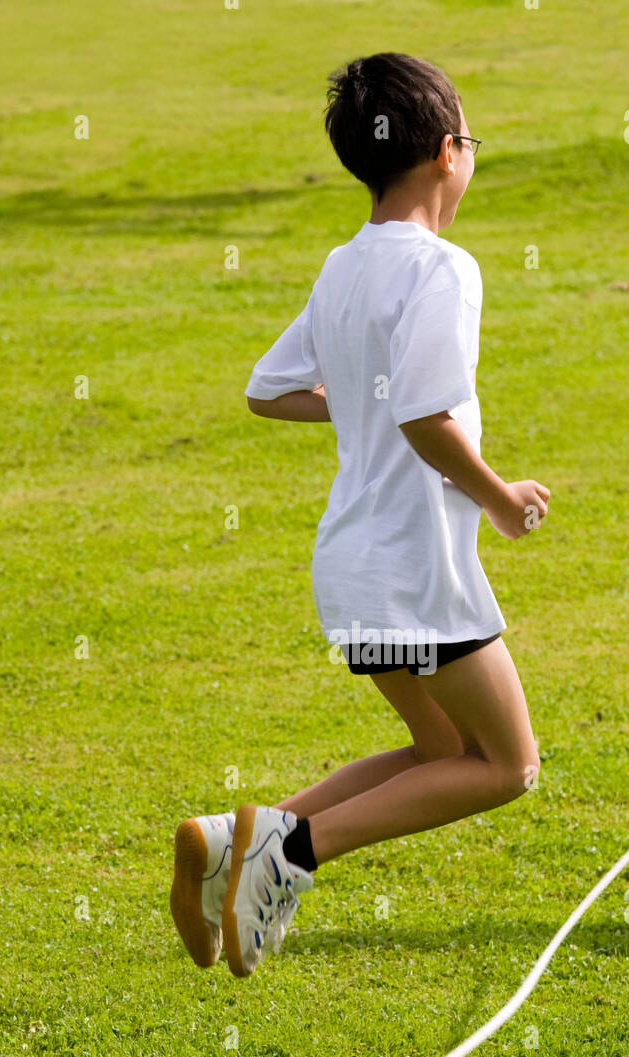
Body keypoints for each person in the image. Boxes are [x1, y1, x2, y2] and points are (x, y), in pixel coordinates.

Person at [170, 52, 550, 979]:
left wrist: (367, 402)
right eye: (471, 137)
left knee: (440, 746)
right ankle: (289, 857)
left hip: (354, 564)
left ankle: (236, 840)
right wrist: (500, 499)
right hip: (418, 571)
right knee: (506, 765)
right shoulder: (445, 270)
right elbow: (424, 415)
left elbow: (270, 391)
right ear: (448, 154)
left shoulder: (344, 265)